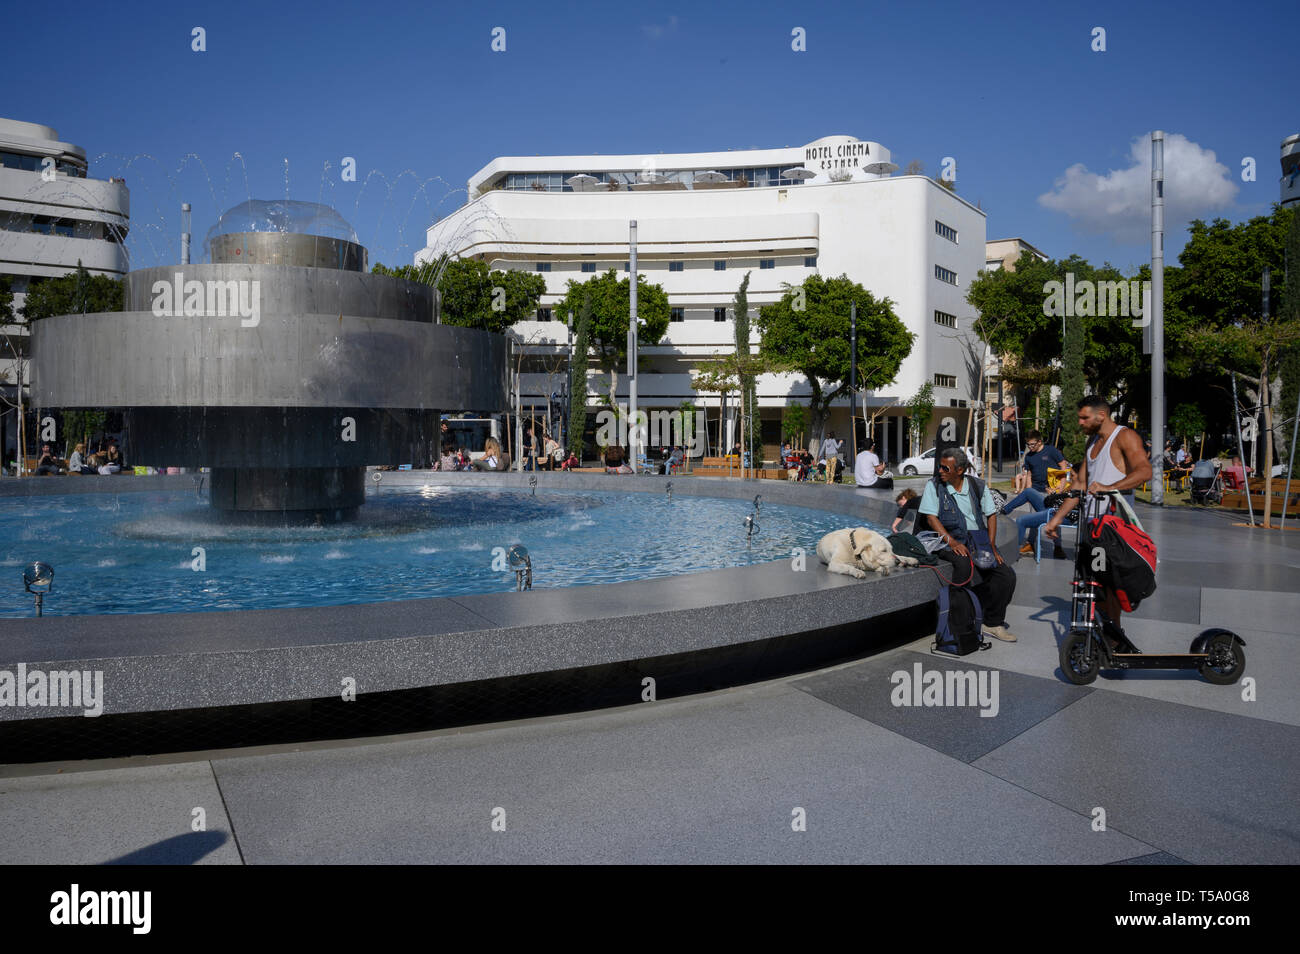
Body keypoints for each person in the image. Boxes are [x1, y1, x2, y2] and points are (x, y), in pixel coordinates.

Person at [1043, 396, 1153, 645]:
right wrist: (1056, 519)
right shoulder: (1092, 442)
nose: (1080, 422)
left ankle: (1114, 638)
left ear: (1101, 415)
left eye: (1084, 417)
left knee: (1108, 584)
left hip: (1113, 526)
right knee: (1092, 582)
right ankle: (1105, 635)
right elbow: (1079, 484)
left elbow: (1144, 471)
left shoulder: (1124, 436)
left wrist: (1109, 487)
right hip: (1091, 524)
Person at [919, 446, 1018, 641]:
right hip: (948, 540)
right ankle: (959, 622)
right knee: (964, 566)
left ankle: (992, 622)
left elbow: (991, 515)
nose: (940, 471)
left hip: (977, 540)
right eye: (940, 467)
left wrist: (990, 545)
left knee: (1006, 576)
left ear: (960, 470)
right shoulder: (934, 486)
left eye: (945, 468)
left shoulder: (977, 485)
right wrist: (952, 541)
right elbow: (931, 518)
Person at [1012, 431, 1068, 495]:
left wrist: (1062, 485)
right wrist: (1028, 491)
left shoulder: (1051, 450)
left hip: (1052, 489)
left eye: (1032, 444)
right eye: (1028, 444)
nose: (1030, 447)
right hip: (1035, 490)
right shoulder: (1028, 456)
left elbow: (1063, 466)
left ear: (1039, 442)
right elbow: (1029, 475)